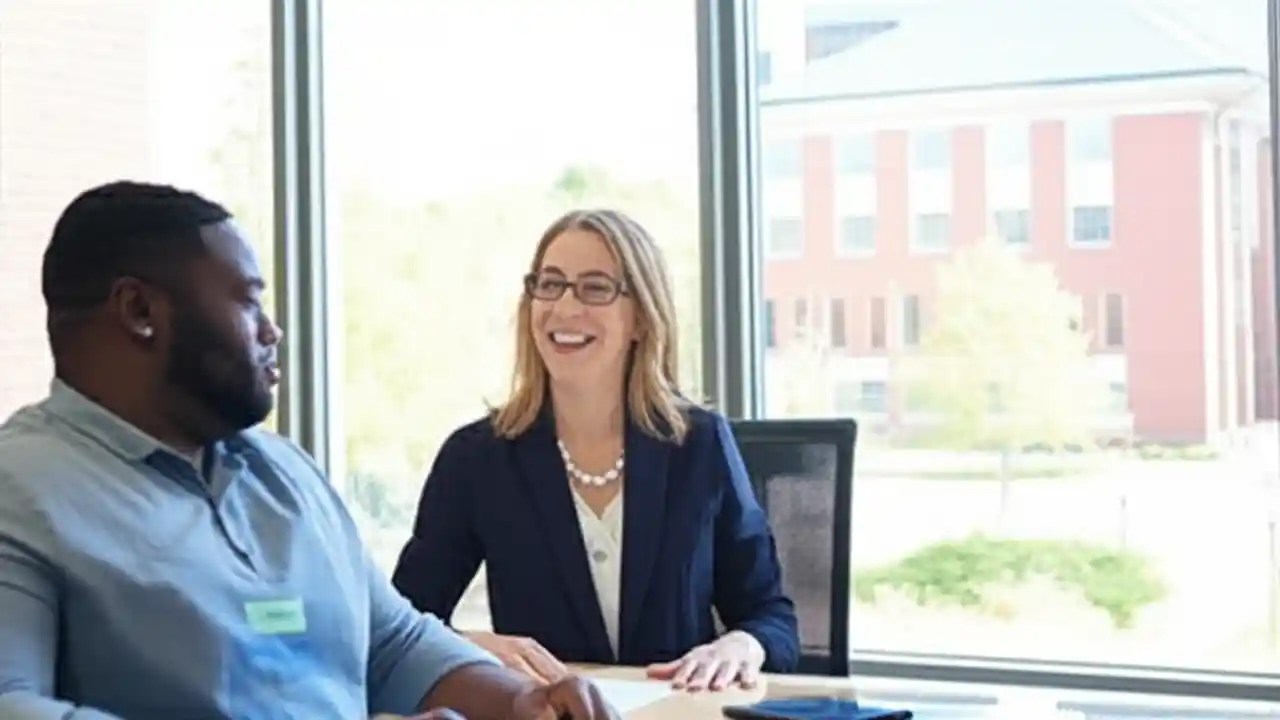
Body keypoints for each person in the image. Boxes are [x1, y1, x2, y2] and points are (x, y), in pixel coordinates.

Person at [0, 182, 617, 720]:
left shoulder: (285, 474)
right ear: (139, 311)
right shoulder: (21, 488)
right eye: (247, 300)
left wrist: (519, 703)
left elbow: (392, 644)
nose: (273, 331)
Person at [391, 209, 799, 693]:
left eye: (595, 287)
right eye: (550, 284)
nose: (564, 307)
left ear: (641, 319)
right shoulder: (475, 458)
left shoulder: (700, 444)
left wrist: (741, 646)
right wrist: (468, 646)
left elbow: (771, 617)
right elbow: (398, 626)